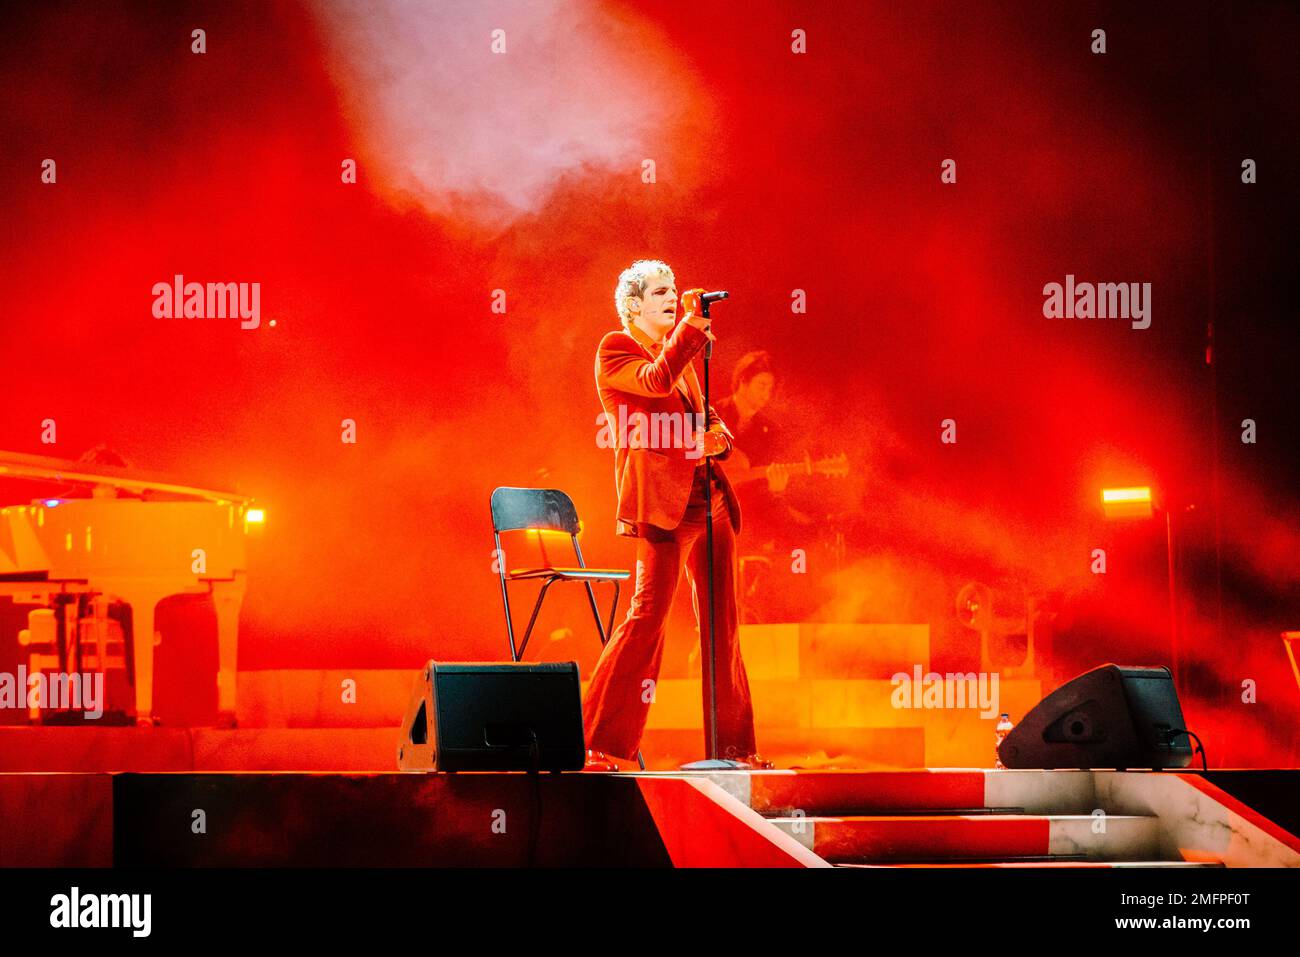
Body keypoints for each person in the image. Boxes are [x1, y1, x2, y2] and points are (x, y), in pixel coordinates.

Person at [582, 259, 767, 770]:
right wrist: (689, 329)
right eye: (661, 292)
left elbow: (706, 417)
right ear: (634, 305)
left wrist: (719, 441)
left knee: (723, 624)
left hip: (711, 502)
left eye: (675, 289)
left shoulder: (680, 357)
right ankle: (599, 742)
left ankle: (735, 750)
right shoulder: (615, 351)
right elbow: (656, 384)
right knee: (647, 618)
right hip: (661, 507)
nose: (673, 297)